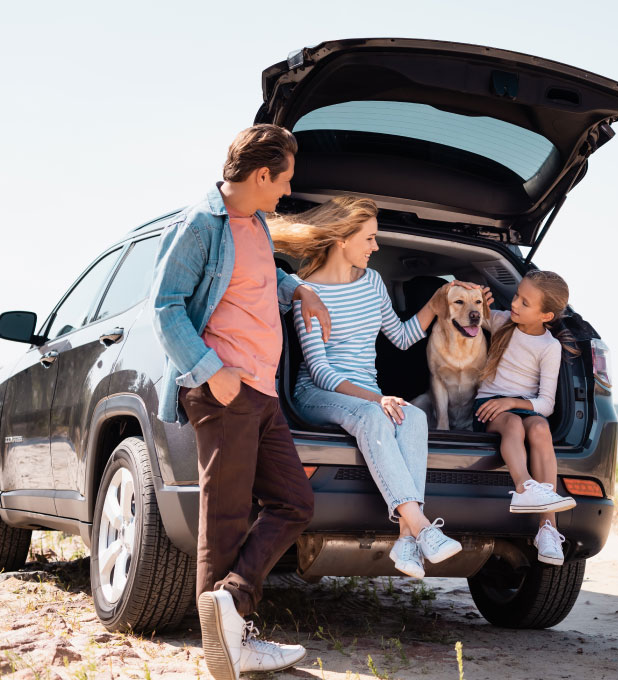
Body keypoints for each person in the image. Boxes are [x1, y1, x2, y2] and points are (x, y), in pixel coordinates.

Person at [151, 125, 332, 680]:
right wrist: (211, 371)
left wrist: (296, 287)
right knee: (225, 518)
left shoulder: (254, 223)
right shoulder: (201, 224)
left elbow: (254, 278)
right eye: (284, 181)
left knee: (294, 503)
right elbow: (165, 306)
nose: (286, 192)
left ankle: (230, 605)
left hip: (262, 390)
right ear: (260, 175)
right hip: (225, 390)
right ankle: (228, 646)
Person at [268, 196, 488, 578]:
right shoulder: (306, 292)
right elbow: (321, 371)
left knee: (415, 417)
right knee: (375, 414)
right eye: (369, 238)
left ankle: (406, 543)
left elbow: (402, 337)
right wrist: (377, 398)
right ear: (342, 239)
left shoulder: (372, 283)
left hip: (369, 395)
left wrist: (437, 304)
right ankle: (421, 527)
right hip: (318, 395)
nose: (376, 246)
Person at [473, 270, 579, 565]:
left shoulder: (549, 347)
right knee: (512, 423)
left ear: (546, 316)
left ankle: (548, 529)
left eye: (525, 302)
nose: (515, 304)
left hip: (522, 405)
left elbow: (546, 404)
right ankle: (523, 488)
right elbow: (474, 318)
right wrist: (480, 303)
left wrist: (513, 401)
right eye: (517, 296)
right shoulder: (502, 322)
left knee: (541, 428)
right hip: (490, 406)